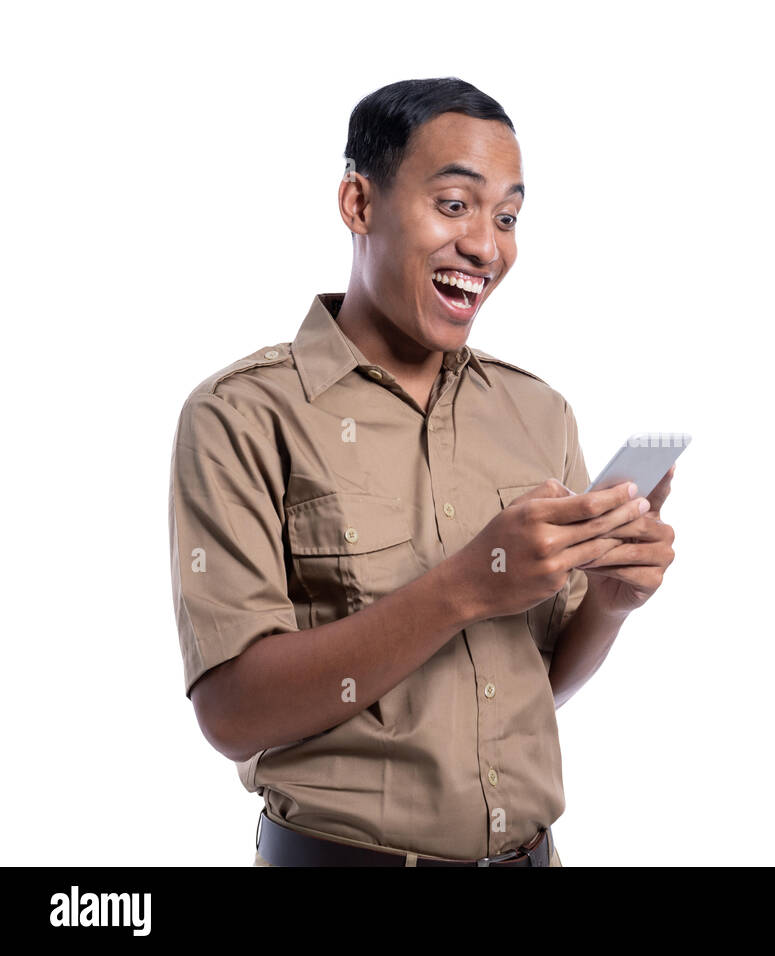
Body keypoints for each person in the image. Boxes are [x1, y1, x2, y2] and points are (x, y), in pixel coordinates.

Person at [167, 77, 677, 867]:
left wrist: (608, 608)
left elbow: (537, 683)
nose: (486, 245)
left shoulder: (538, 412)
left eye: (508, 217)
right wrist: (466, 585)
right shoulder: (239, 416)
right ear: (359, 205)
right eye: (454, 205)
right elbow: (232, 714)